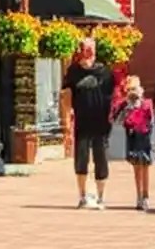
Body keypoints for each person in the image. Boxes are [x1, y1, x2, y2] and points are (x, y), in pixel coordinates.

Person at [61, 37, 116, 209]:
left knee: (101, 158)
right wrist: (67, 121)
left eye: (92, 48)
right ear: (81, 51)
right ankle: (83, 195)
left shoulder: (105, 72)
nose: (89, 52)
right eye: (86, 48)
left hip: (100, 122)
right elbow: (66, 96)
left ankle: (101, 196)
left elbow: (112, 96)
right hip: (82, 121)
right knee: (81, 157)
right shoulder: (73, 72)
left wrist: (111, 116)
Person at [112, 75, 155, 210]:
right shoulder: (125, 105)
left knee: (145, 166)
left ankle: (146, 195)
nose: (133, 92)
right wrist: (126, 106)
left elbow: (152, 120)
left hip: (144, 137)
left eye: (135, 89)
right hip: (132, 137)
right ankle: (139, 196)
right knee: (136, 167)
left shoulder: (147, 103)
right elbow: (116, 120)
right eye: (130, 89)